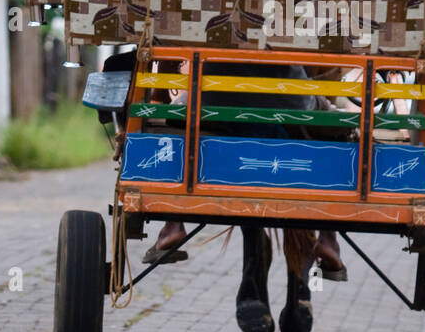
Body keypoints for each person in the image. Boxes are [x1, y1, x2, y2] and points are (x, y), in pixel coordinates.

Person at [142, 59, 348, 280]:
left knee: (177, 119)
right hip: (288, 97)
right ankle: (328, 237)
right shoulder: (293, 22)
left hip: (213, 95)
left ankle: (173, 222)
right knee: (343, 127)